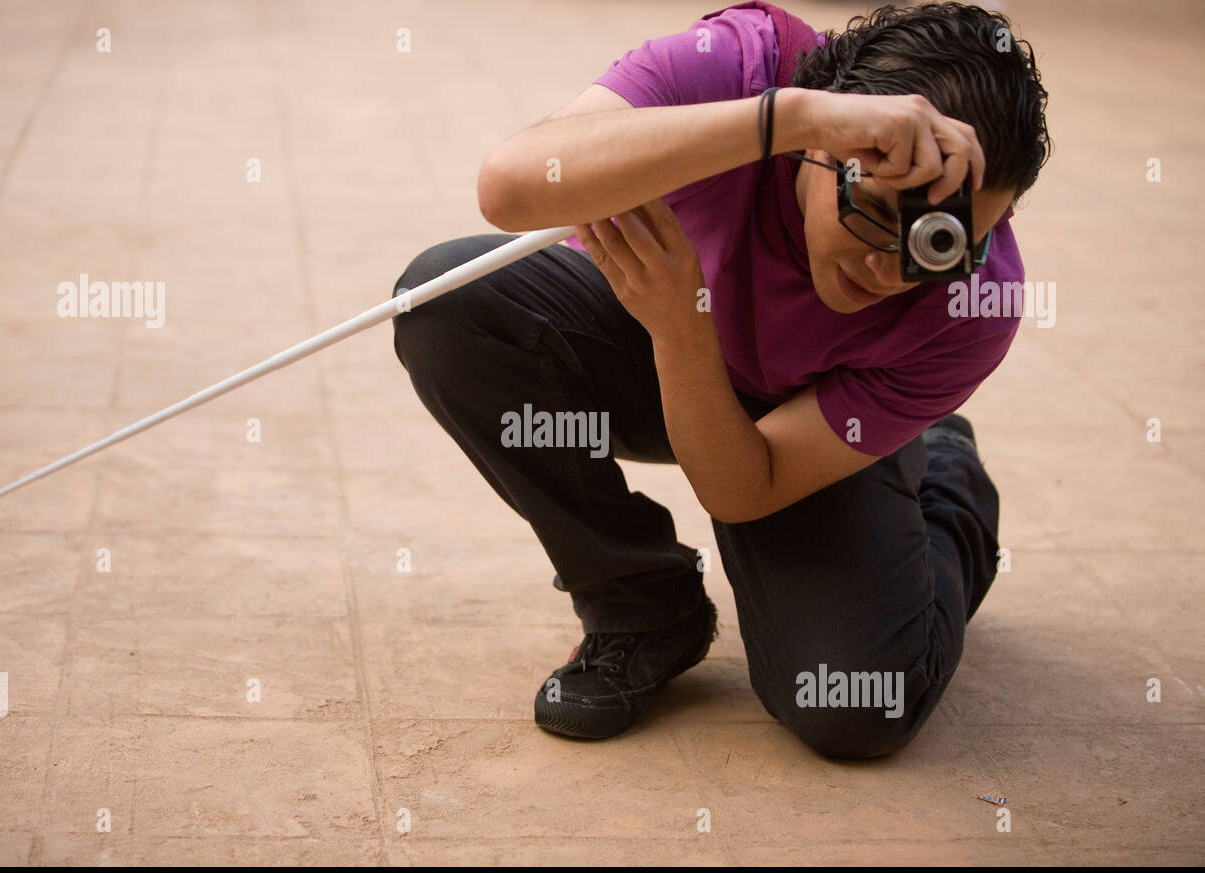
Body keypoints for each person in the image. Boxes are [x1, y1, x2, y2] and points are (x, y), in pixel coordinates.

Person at [390, 2, 1051, 758]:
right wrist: (788, 119)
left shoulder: (973, 304)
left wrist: (682, 332)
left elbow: (743, 489)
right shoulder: (744, 66)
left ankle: (947, 485)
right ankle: (640, 607)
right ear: (820, 145)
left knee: (852, 706)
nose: (891, 270)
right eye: (874, 211)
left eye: (940, 245)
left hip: (800, 420)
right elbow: (512, 186)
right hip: (650, 324)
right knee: (447, 298)